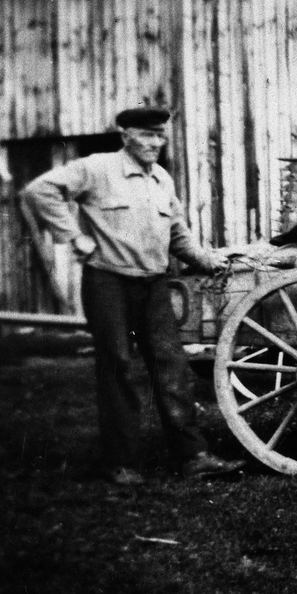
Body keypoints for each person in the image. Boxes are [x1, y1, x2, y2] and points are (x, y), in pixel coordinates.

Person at [22, 106, 244, 486]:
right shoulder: (97, 168)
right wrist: (73, 237)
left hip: (154, 286)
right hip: (108, 284)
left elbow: (177, 232)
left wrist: (205, 260)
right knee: (118, 370)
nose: (155, 143)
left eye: (160, 136)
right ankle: (121, 463)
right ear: (126, 135)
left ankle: (194, 457)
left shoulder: (161, 178)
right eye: (147, 135)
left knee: (172, 369)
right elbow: (39, 191)